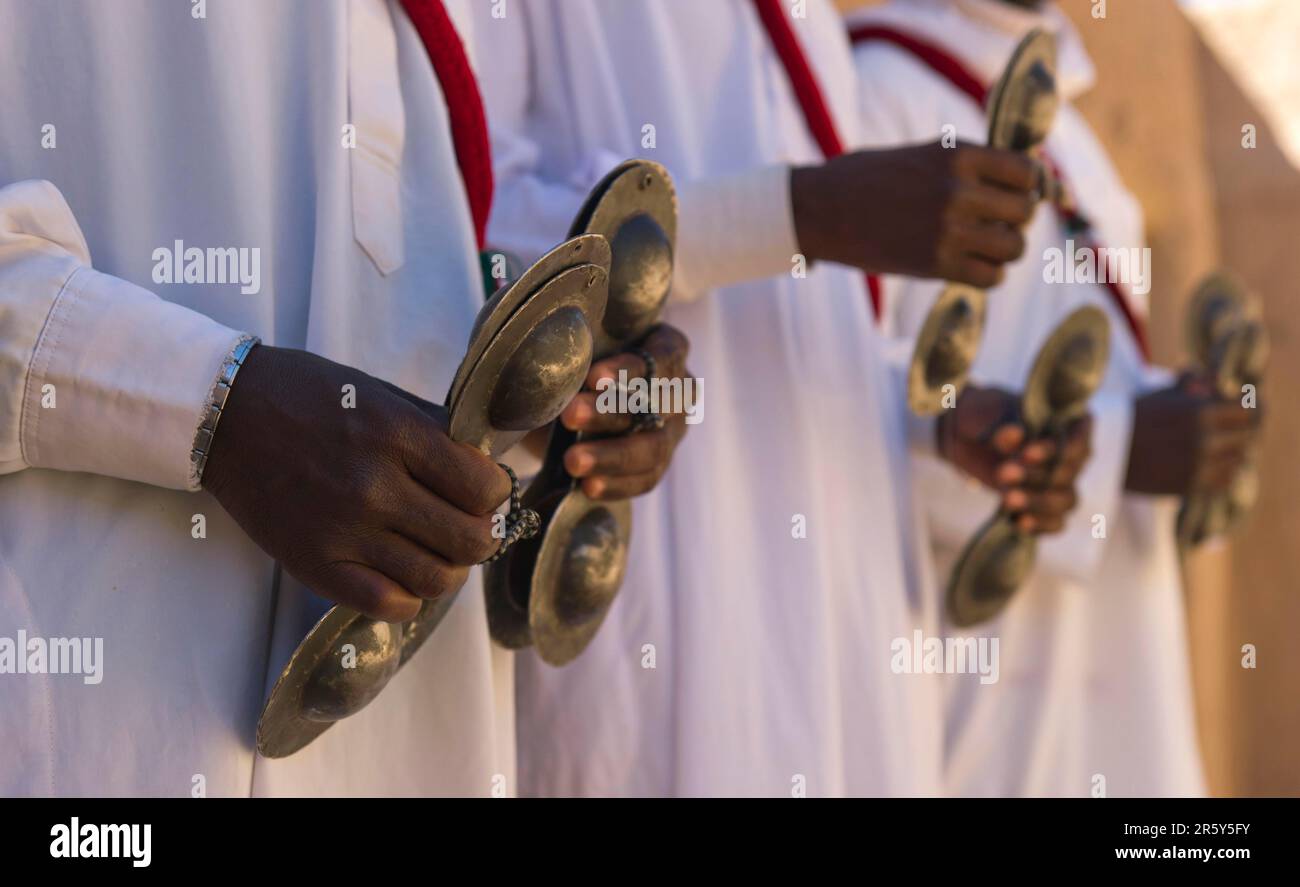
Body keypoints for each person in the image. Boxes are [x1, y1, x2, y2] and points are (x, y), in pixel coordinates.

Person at [0, 0, 681, 796]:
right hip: (108, 723)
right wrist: (212, 407)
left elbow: (382, 270)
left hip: (421, 738)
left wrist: (559, 386)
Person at [469, 0, 1084, 795]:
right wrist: (801, 211)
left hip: (850, 628)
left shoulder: (814, 24)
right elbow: (476, 224)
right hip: (665, 601)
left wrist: (936, 420)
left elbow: (811, 329)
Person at [845, 0, 1254, 795]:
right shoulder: (880, 96)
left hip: (1121, 678)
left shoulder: (1077, 136)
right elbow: (847, 412)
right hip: (978, 710)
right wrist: (1124, 446)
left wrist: (1187, 421)